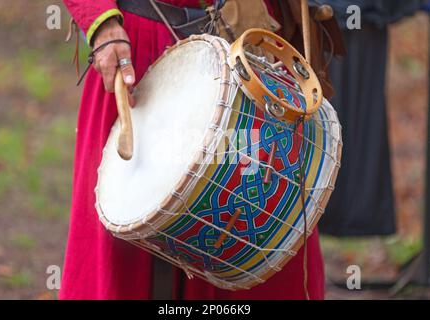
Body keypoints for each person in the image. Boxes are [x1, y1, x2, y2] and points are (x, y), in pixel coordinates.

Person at [60, 0, 324, 300]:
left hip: (248, 47)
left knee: (257, 224)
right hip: (140, 50)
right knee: (125, 252)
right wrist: (102, 25)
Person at [318, 0, 425, 236]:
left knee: (354, 117)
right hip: (319, 22)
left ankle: (350, 215)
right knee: (318, 117)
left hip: (358, 19)